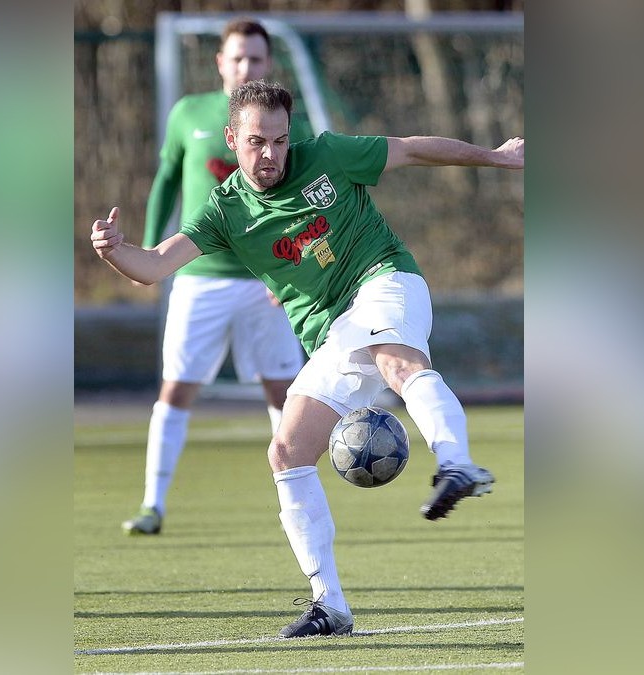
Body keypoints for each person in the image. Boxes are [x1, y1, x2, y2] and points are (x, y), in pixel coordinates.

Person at [91, 80, 524, 638]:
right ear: (231, 139)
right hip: (332, 334)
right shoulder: (225, 210)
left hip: (384, 281)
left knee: (397, 363)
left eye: (278, 140)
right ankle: (330, 605)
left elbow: (415, 148)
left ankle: (457, 463)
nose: (269, 154)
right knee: (287, 451)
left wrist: (498, 157)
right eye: (255, 142)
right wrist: (114, 251)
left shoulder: (326, 155)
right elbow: (152, 266)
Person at [122, 18, 311, 536]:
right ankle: (152, 504)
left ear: (267, 63)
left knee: (284, 392)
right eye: (237, 57)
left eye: (255, 58)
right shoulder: (189, 113)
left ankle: (294, 503)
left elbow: (304, 202)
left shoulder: (285, 122)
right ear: (220, 63)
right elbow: (165, 180)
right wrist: (146, 248)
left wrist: (292, 267)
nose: (246, 66)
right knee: (177, 388)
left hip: (266, 281)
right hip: (199, 276)